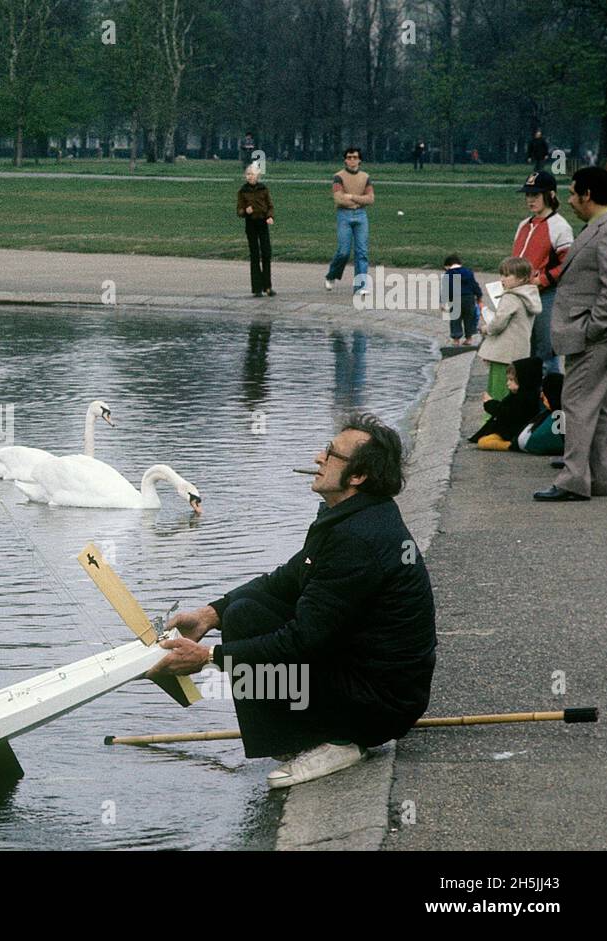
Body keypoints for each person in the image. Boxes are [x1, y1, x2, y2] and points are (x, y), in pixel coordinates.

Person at [146, 412, 436, 788]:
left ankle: (340, 739)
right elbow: (290, 578)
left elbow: (304, 641)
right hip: (365, 675)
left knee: (256, 635)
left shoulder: (358, 539)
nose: (319, 457)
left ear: (358, 476)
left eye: (331, 454)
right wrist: (210, 613)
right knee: (241, 614)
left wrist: (209, 658)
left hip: (379, 703)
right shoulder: (347, 514)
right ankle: (299, 735)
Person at [536, 166, 607, 501]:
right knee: (601, 405)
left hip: (592, 335)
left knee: (577, 402)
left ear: (588, 195)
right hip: (593, 333)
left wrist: (594, 326)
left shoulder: (605, 230)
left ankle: (573, 479)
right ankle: (601, 475)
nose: (569, 200)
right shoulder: (597, 227)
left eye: (572, 192)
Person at [513, 171, 574, 375]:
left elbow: (567, 265)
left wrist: (543, 280)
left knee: (546, 351)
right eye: (528, 195)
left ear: (551, 195)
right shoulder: (524, 225)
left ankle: (551, 401)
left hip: (547, 295)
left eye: (536, 195)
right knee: (526, 348)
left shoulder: (559, 227)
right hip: (522, 295)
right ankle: (531, 400)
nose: (530, 200)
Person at [479, 256, 541, 399]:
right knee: (513, 390)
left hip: (503, 353)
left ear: (521, 278)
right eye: (501, 275)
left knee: (496, 391)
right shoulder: (530, 296)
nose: (502, 279)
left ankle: (494, 418)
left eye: (507, 275)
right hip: (520, 351)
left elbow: (497, 324)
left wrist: (485, 328)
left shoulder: (510, 297)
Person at [323, 147, 374, 296]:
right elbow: (338, 198)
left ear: (360, 160)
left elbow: (370, 198)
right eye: (349, 157)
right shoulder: (338, 176)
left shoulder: (365, 177)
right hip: (344, 215)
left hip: (361, 215)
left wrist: (351, 197)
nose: (352, 160)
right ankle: (331, 275)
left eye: (355, 157)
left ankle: (360, 286)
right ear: (345, 160)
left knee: (362, 252)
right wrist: (357, 199)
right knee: (343, 252)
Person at [469, 357, 543, 450]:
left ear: (524, 379)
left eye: (512, 380)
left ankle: (511, 445)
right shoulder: (519, 394)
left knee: (484, 442)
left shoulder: (526, 397)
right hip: (509, 431)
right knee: (484, 440)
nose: (508, 383)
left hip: (514, 432)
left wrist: (489, 403)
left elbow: (505, 412)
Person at [236, 163, 275, 297]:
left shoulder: (263, 189)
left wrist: (270, 216)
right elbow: (239, 211)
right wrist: (245, 211)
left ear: (258, 175)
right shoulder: (243, 191)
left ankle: (268, 286)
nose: (250, 177)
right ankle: (257, 288)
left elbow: (270, 206)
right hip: (251, 224)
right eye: (248, 174)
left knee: (266, 253)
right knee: (254, 255)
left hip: (263, 223)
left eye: (252, 174)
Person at [517, 373, 566, 455]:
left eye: (544, 391)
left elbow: (540, 441)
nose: (541, 395)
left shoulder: (559, 415)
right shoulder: (546, 413)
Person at [441, 255, 483, 346]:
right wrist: (479, 296)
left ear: (448, 265)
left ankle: (456, 340)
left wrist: (443, 302)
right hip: (469, 298)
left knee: (455, 319)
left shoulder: (448, 274)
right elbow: (474, 285)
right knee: (469, 318)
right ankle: (469, 339)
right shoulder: (468, 272)